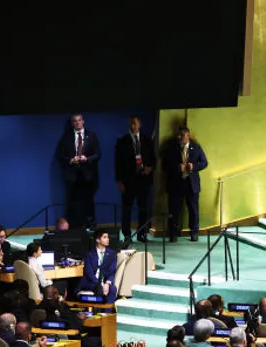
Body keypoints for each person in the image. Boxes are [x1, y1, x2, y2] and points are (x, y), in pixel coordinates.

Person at [56, 113, 101, 230]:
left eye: (79, 120)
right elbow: (60, 156)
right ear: (72, 123)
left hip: (88, 176)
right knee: (73, 203)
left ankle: (91, 227)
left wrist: (87, 159)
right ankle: (75, 227)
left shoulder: (91, 136)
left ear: (83, 121)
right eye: (75, 121)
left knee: (88, 202)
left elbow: (98, 154)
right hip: (72, 176)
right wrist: (71, 160)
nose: (77, 123)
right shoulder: (66, 138)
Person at [115, 116, 156, 245]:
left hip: (144, 180)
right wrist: (119, 180)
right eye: (131, 124)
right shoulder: (122, 141)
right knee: (127, 209)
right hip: (128, 181)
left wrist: (150, 168)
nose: (133, 126)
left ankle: (142, 233)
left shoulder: (147, 139)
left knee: (143, 208)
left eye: (135, 124)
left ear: (140, 125)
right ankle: (127, 235)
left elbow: (154, 159)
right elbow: (117, 162)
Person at [161, 127, 207, 242]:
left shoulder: (196, 147)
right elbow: (164, 164)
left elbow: (204, 162)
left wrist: (194, 167)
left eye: (182, 135)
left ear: (188, 135)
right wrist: (177, 167)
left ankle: (194, 233)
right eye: (178, 135)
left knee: (193, 210)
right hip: (176, 184)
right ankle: (173, 234)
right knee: (174, 210)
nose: (179, 137)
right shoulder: (172, 148)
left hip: (191, 184)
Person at [78, 230, 118, 303]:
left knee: (113, 289)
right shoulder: (89, 254)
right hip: (92, 282)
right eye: (105, 237)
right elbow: (89, 273)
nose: (108, 239)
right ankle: (97, 312)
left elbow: (112, 271)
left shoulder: (112, 254)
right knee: (99, 289)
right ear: (98, 240)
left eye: (108, 237)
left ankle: (106, 313)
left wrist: (107, 283)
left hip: (105, 282)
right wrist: (100, 284)